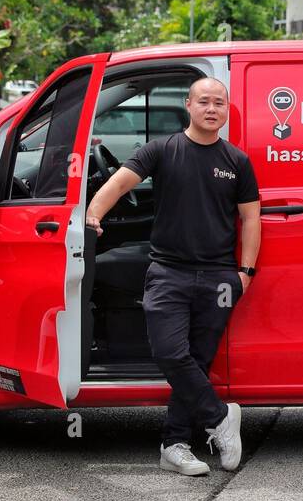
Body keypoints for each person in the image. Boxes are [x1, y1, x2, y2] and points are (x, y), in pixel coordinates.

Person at [87, 77, 262, 475]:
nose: (211, 108)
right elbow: (119, 183)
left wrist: (245, 273)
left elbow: (251, 218)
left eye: (219, 102)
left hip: (219, 276)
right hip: (168, 272)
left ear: (226, 109)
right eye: (204, 101)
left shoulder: (236, 161)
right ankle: (220, 417)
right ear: (188, 105)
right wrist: (93, 212)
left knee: (197, 362)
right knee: (170, 353)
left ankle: (174, 444)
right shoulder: (162, 150)